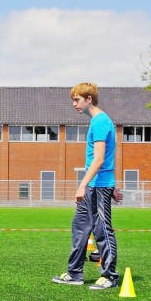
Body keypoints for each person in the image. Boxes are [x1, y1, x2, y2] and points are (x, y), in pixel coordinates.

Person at [53, 82, 121, 290]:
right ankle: (75, 274)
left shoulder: (100, 122)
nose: (74, 104)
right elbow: (107, 157)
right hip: (95, 185)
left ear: (88, 99)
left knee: (102, 230)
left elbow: (100, 159)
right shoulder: (97, 122)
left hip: (98, 186)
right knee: (80, 228)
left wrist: (82, 185)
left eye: (77, 99)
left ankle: (109, 276)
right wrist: (114, 186)